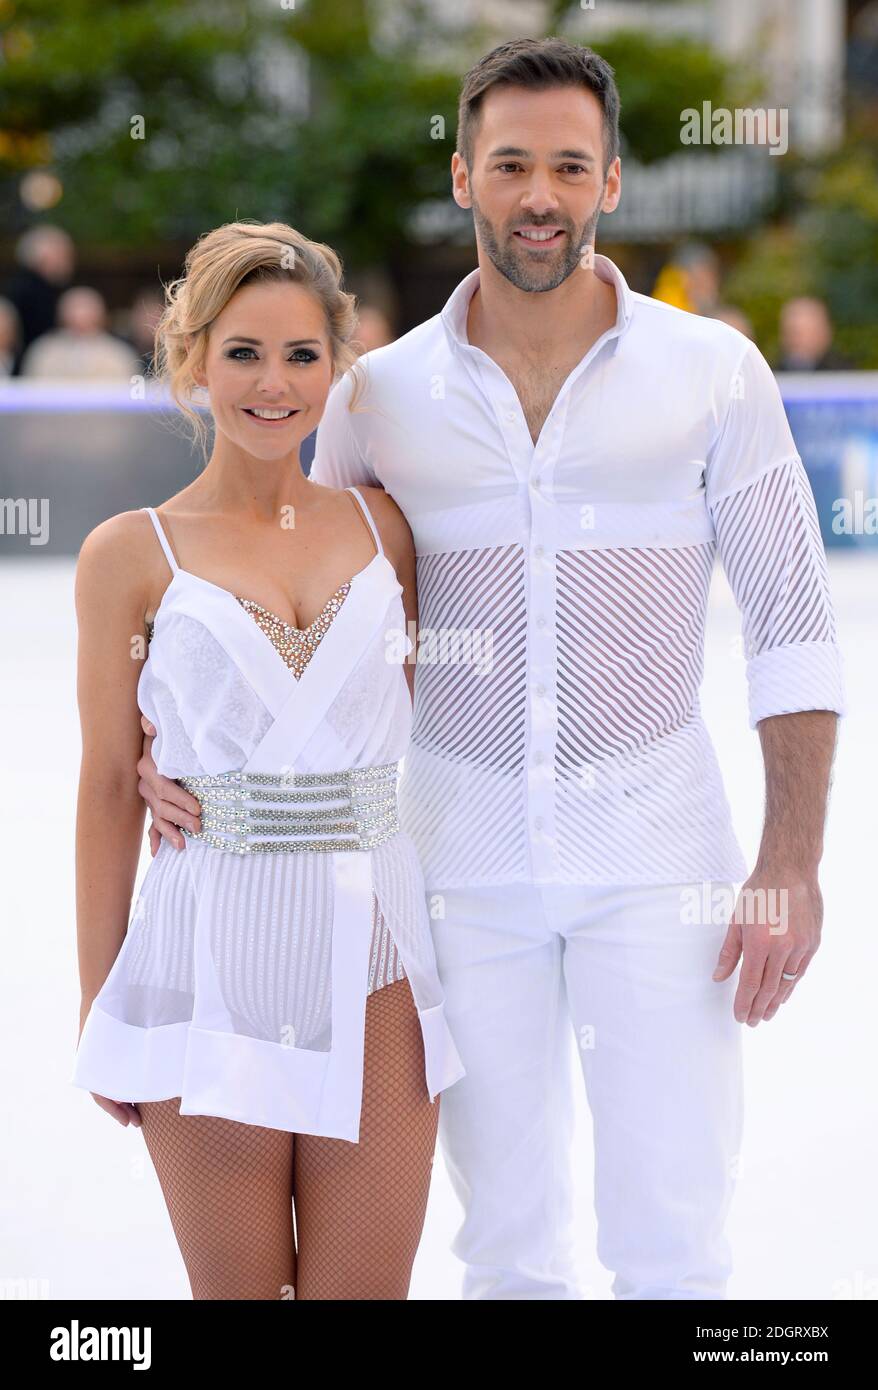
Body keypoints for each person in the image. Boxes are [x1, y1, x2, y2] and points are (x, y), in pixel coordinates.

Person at [136, 38, 845, 1300]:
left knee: (672, 1237)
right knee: (503, 1245)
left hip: (655, 855)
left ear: (610, 184)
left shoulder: (711, 374)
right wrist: (168, 744)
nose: (538, 194)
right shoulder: (377, 397)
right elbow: (297, 606)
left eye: (567, 165)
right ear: (463, 176)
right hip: (453, 866)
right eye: (509, 163)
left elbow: (793, 622)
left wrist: (788, 859)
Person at [70, 220, 465, 1300]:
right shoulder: (127, 553)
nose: (272, 382)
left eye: (301, 354)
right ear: (192, 358)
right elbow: (109, 787)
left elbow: (442, 718)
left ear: (338, 367)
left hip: (378, 950)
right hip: (205, 961)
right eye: (243, 351)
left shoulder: (389, 530)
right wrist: (99, 998)